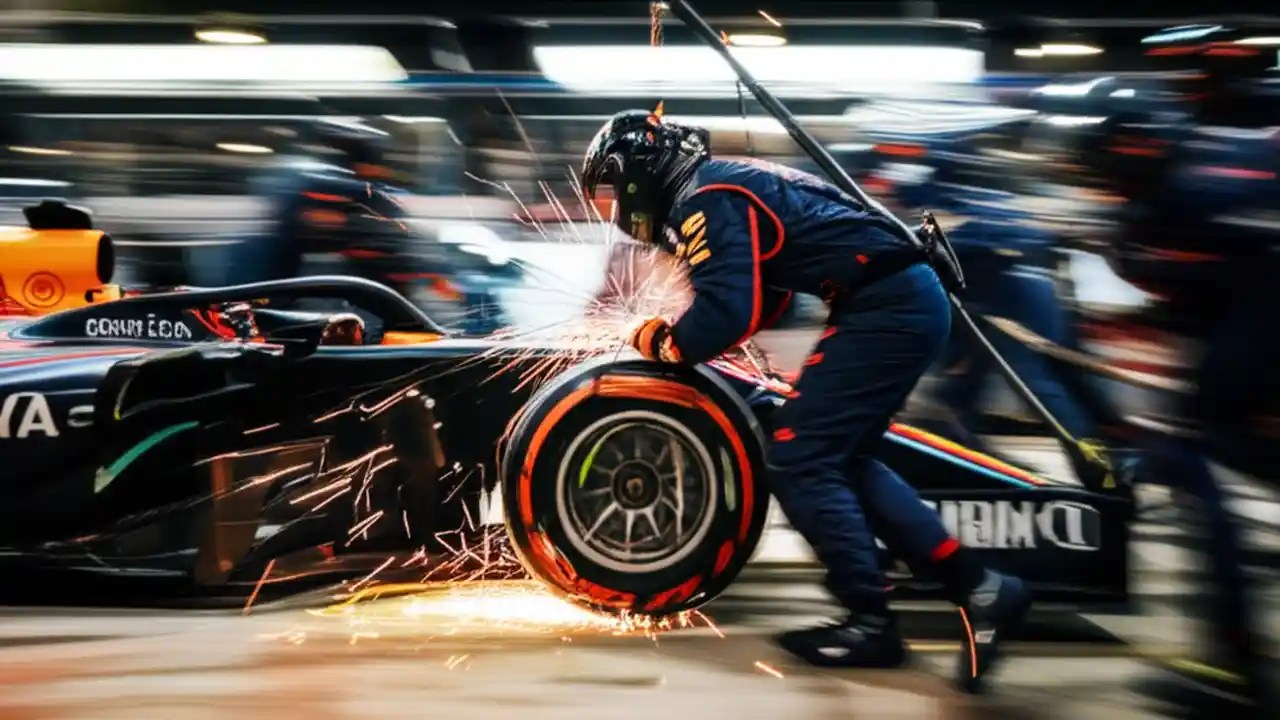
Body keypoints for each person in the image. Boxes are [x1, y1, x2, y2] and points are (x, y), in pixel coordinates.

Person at [581, 109, 1031, 693]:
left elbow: (729, 309)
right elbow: (761, 298)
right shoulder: (720, 183)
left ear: (642, 168)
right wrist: (708, 339)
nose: (618, 204)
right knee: (842, 459)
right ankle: (982, 588)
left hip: (889, 304)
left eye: (616, 186)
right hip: (895, 300)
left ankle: (871, 622)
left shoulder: (705, 197)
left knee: (798, 456)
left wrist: (666, 342)